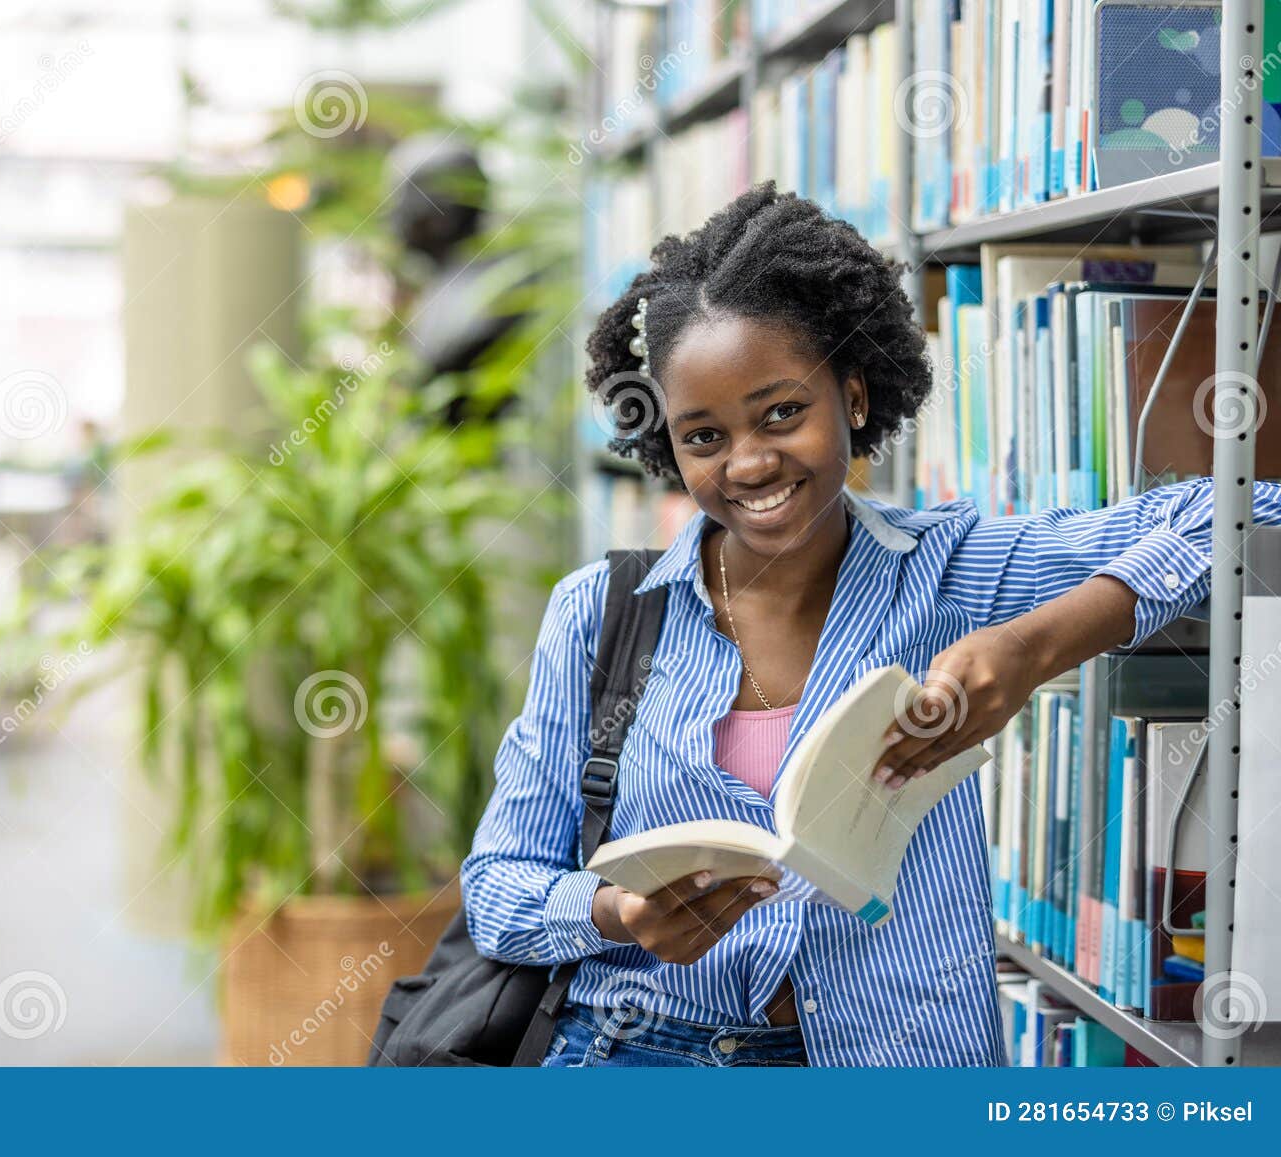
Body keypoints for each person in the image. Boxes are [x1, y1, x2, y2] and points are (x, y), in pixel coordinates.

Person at [460, 184, 1281, 1068]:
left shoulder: (953, 570)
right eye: (704, 437)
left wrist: (1036, 645)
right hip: (632, 1052)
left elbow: (1244, 508)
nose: (749, 462)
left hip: (887, 1059)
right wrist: (617, 912)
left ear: (853, 396)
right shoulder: (601, 612)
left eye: (783, 412)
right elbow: (497, 891)